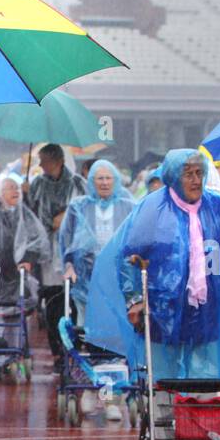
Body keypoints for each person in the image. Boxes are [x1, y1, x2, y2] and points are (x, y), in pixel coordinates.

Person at [85, 150, 220, 440]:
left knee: (203, 391)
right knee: (164, 390)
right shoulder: (152, 209)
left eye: (200, 172)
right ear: (174, 175)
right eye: (189, 173)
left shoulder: (218, 208)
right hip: (161, 316)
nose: (195, 179)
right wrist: (134, 300)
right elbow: (129, 257)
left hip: (206, 316)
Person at [58, 159, 139, 419]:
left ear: (115, 180)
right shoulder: (79, 207)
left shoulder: (128, 206)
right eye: (99, 179)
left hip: (118, 284)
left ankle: (114, 397)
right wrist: (68, 265)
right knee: (88, 334)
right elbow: (66, 241)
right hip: (86, 283)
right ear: (91, 182)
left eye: (108, 178)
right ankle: (91, 388)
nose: (104, 183)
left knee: (115, 336)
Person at [0, 174, 47, 382]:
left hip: (16, 274)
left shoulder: (25, 214)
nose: (15, 192)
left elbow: (36, 240)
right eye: (9, 188)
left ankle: (10, 357)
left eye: (16, 188)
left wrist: (28, 259)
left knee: (14, 315)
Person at [27, 143, 88, 360]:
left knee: (73, 300)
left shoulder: (78, 184)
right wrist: (25, 196)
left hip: (74, 252)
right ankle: (57, 350)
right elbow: (29, 217)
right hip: (47, 253)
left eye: (44, 161)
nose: (41, 165)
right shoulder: (37, 184)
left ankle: (75, 347)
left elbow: (86, 213)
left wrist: (66, 218)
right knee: (52, 301)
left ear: (58, 161)